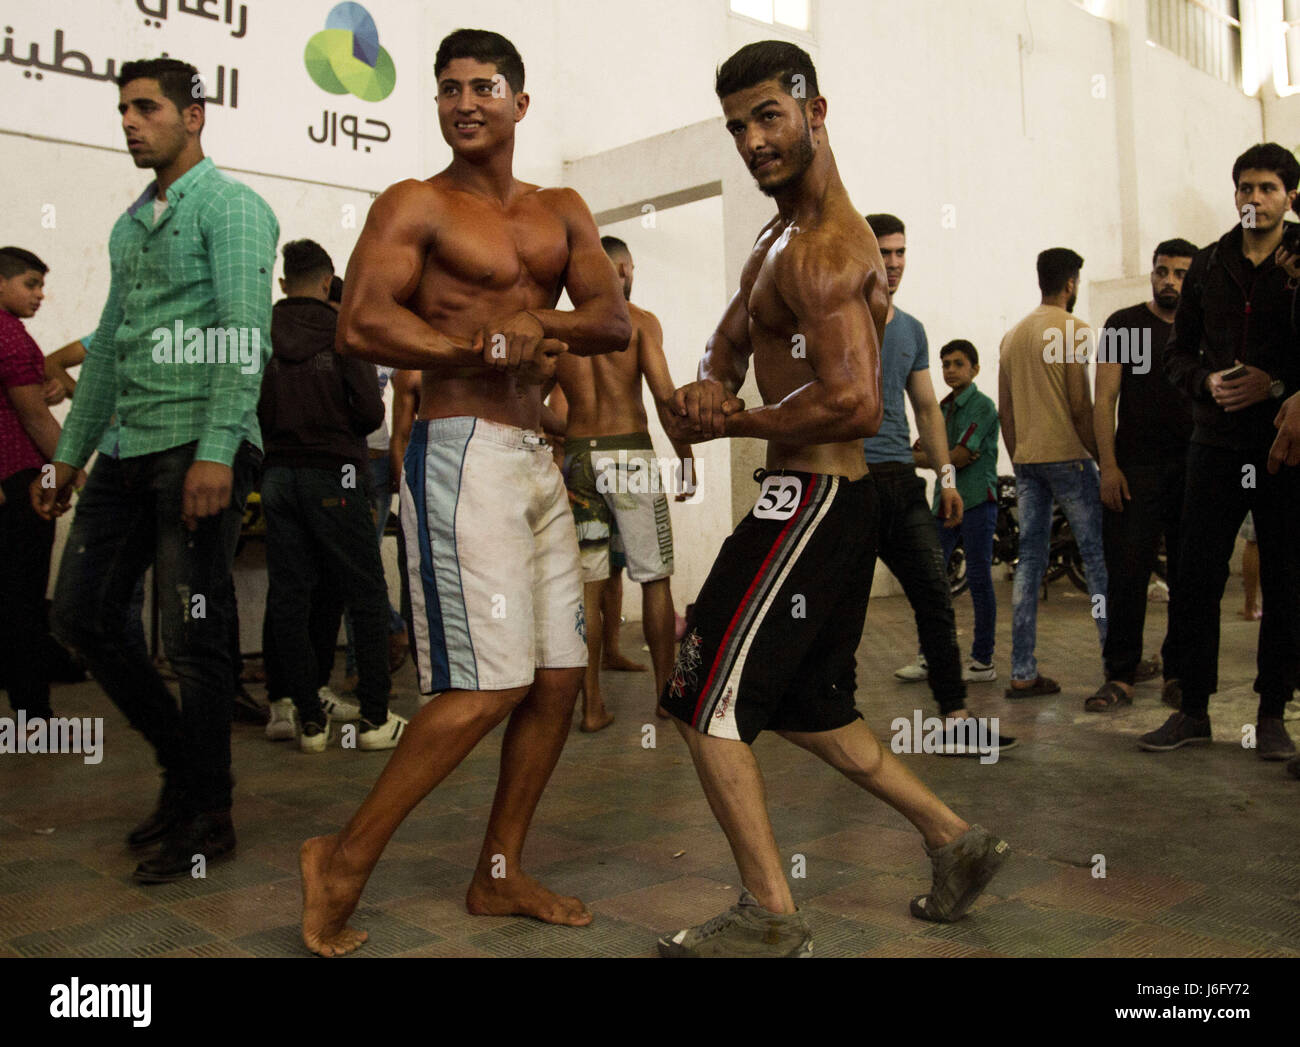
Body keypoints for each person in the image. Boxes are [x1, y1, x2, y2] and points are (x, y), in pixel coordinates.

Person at [655, 41, 1008, 958]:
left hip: (812, 499)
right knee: (814, 710)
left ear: (817, 110)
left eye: (769, 115)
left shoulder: (824, 249)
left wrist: (730, 421)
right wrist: (706, 387)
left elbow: (855, 400)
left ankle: (770, 912)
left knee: (704, 696)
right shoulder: (775, 238)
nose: (753, 140)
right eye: (737, 125)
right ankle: (954, 838)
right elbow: (728, 341)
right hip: (817, 499)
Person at [298, 29, 631, 957]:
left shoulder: (561, 208)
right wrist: (476, 347)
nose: (464, 102)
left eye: (484, 86)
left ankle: (499, 872)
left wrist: (536, 321)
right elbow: (359, 322)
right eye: (448, 89)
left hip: (535, 455)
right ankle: (343, 858)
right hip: (460, 447)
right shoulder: (416, 203)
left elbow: (607, 319)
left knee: (559, 680)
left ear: (520, 103)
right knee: (486, 688)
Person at [32, 58, 277, 884]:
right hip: (128, 447)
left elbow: (246, 333)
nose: (130, 122)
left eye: (146, 108)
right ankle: (184, 767)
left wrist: (217, 449)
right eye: (123, 109)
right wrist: (68, 456)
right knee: (80, 614)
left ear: (194, 116)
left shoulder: (233, 208)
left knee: (195, 638)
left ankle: (210, 814)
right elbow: (107, 347)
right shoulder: (130, 224)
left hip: (193, 448)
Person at [1144, 143, 1300, 763]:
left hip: (1284, 447)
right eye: (1245, 187)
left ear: (1292, 196)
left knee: (1286, 579)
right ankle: (1194, 710)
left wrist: (1280, 385)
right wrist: (1205, 383)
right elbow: (1176, 354)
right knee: (1196, 576)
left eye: (1266, 188)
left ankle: (1271, 714)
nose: (1253, 199)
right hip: (1213, 444)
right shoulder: (1207, 265)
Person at [257, 239, 397, 752]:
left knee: (289, 595)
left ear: (282, 283)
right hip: (335, 473)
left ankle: (309, 721)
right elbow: (369, 413)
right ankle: (376, 718)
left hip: (276, 475)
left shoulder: (261, 332)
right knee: (363, 591)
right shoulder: (343, 332)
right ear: (326, 281)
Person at [556, 235, 694, 731]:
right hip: (630, 454)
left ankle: (592, 705)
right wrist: (686, 456)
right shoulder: (638, 322)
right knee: (654, 579)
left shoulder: (562, 330)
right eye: (627, 268)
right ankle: (664, 696)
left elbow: (536, 406)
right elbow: (664, 395)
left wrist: (568, 440)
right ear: (618, 269)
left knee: (588, 587)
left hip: (579, 459)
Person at [1088, 240, 1197, 712]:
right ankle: (1121, 674)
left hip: (1195, 470)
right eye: (1162, 271)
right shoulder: (1125, 325)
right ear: (1152, 274)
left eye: (1179, 273)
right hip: (1136, 471)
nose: (1169, 280)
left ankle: (1180, 672)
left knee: (1190, 578)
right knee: (1127, 574)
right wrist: (1108, 467)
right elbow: (1104, 400)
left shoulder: (1204, 327)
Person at [998, 248, 1108, 698]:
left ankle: (1022, 671)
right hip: (1071, 458)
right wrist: (1105, 458)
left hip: (1027, 461)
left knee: (1030, 565)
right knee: (1098, 560)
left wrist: (1021, 454)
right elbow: (1082, 408)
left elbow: (1006, 413)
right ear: (1071, 284)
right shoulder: (1073, 330)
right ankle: (1116, 658)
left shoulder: (1013, 336)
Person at [0, 248, 70, 722]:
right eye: (30, 284)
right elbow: (37, 421)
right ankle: (33, 720)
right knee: (22, 604)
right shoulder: (10, 337)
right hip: (22, 481)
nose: (40, 295)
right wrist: (76, 470)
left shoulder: (15, 339)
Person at [914, 340, 1001, 693]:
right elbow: (920, 453)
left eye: (958, 364)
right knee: (932, 580)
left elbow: (961, 456)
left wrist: (940, 456)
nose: (950, 370)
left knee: (979, 579)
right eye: (945, 364)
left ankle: (983, 661)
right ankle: (928, 656)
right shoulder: (939, 408)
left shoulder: (983, 406)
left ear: (975, 369)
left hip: (978, 500)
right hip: (943, 504)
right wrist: (942, 456)